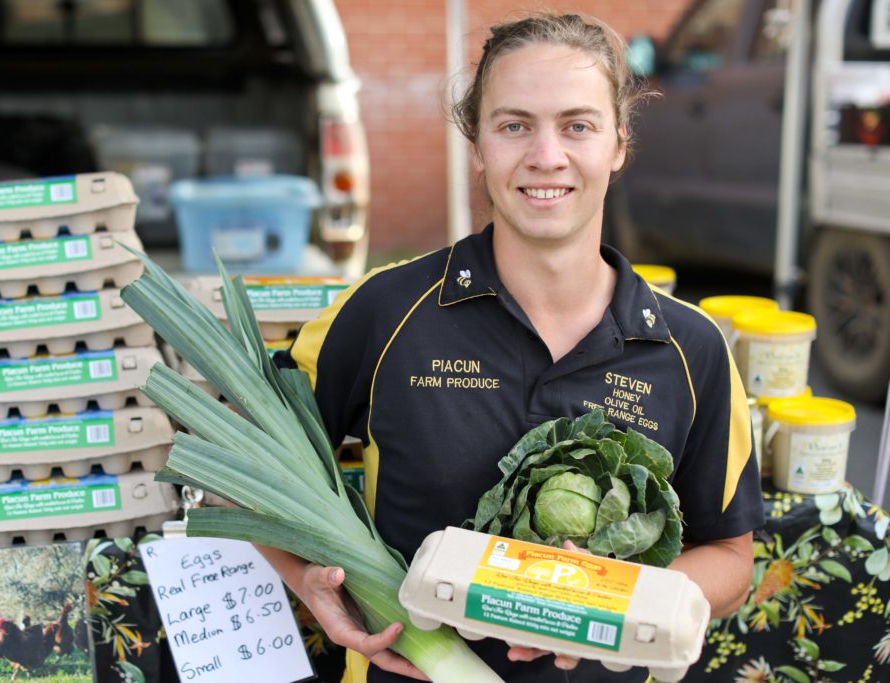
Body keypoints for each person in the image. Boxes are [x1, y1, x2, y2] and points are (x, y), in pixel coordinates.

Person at [265, 11, 765, 682]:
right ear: (477, 143)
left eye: (577, 126)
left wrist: (606, 605)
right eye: (514, 125)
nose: (546, 157)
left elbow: (731, 550)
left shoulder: (692, 349)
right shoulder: (384, 311)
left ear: (620, 142)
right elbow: (245, 459)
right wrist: (304, 579)